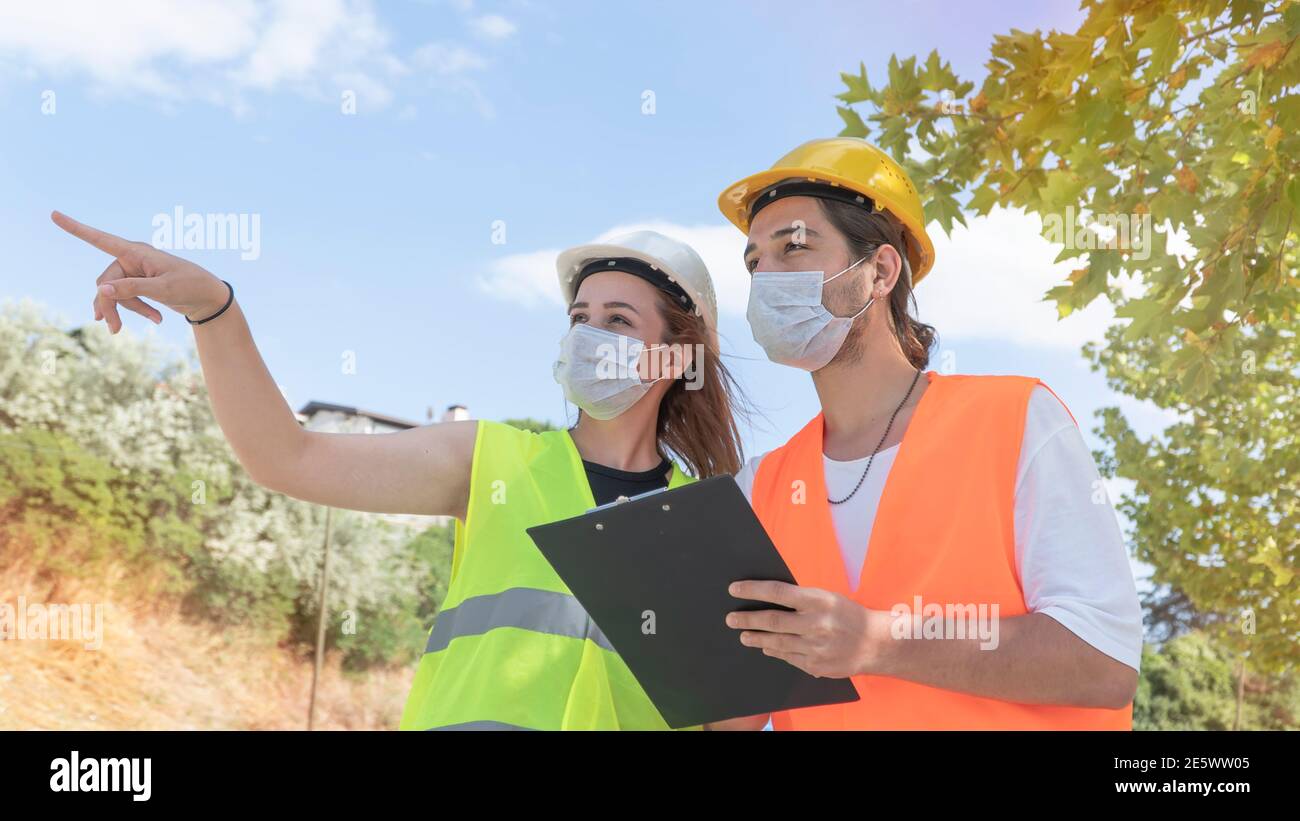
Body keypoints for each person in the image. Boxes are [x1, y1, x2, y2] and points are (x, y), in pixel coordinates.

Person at [50, 213, 747, 730]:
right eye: (579, 316)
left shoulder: (707, 527)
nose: (588, 336)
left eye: (618, 320)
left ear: (677, 357)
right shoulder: (490, 460)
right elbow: (286, 456)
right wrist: (214, 311)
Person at [710, 138, 1143, 730]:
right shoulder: (762, 483)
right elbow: (735, 712)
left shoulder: (1016, 419)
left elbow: (1103, 662)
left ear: (880, 271)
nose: (766, 277)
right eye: (755, 262)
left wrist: (877, 643)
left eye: (793, 248)